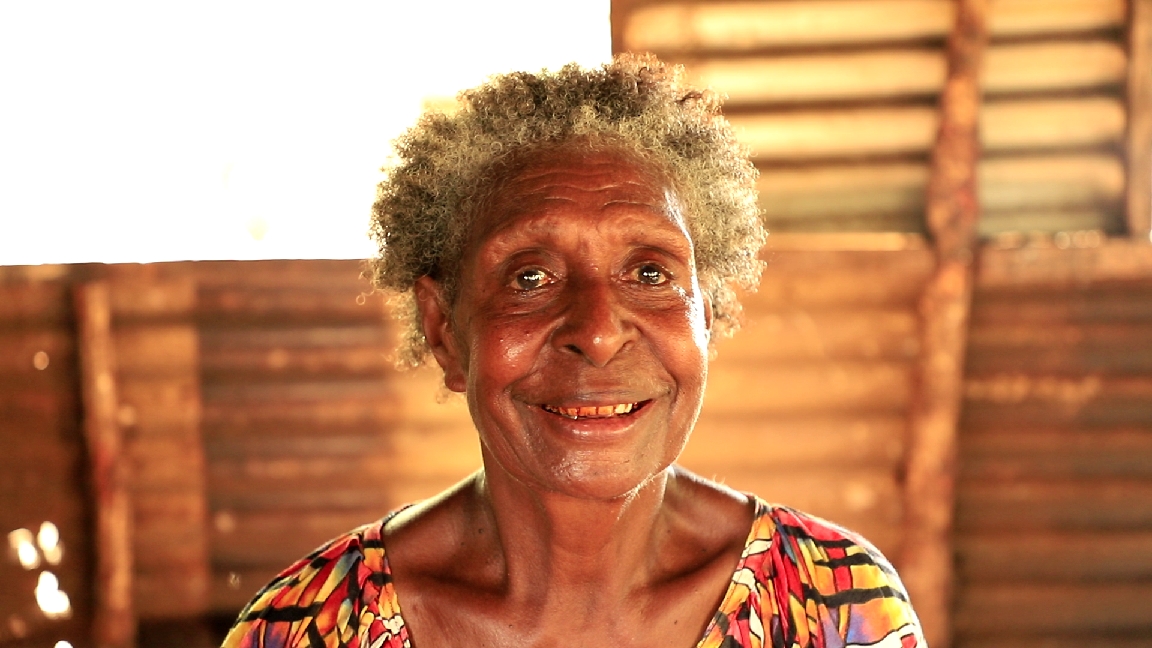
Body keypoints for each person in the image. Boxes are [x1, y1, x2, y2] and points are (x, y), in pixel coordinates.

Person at [221, 54, 924, 648]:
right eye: (530, 276)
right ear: (444, 330)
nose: (597, 329)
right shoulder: (309, 625)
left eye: (650, 273)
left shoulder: (832, 607)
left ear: (704, 317)